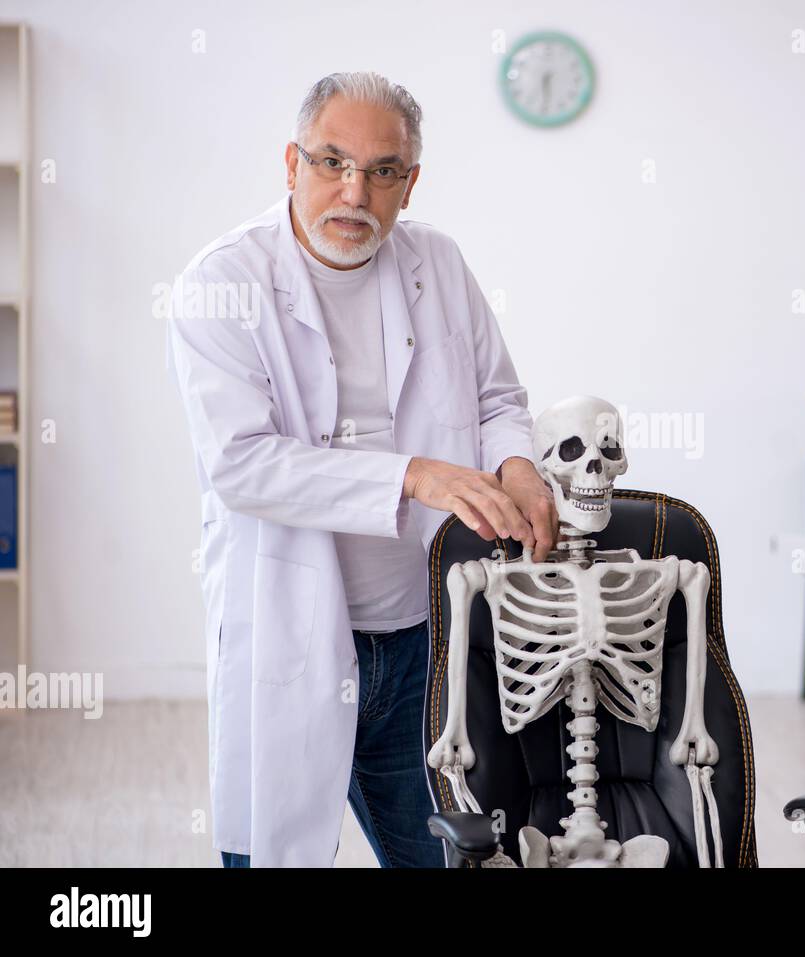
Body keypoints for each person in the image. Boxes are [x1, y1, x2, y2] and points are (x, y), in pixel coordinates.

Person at [166, 71, 557, 867]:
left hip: (418, 635)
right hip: (292, 631)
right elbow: (241, 464)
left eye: (383, 171)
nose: (355, 191)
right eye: (331, 161)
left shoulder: (438, 264)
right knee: (273, 852)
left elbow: (498, 397)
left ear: (409, 184)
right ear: (290, 163)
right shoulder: (222, 285)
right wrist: (411, 475)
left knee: (440, 853)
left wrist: (518, 465)